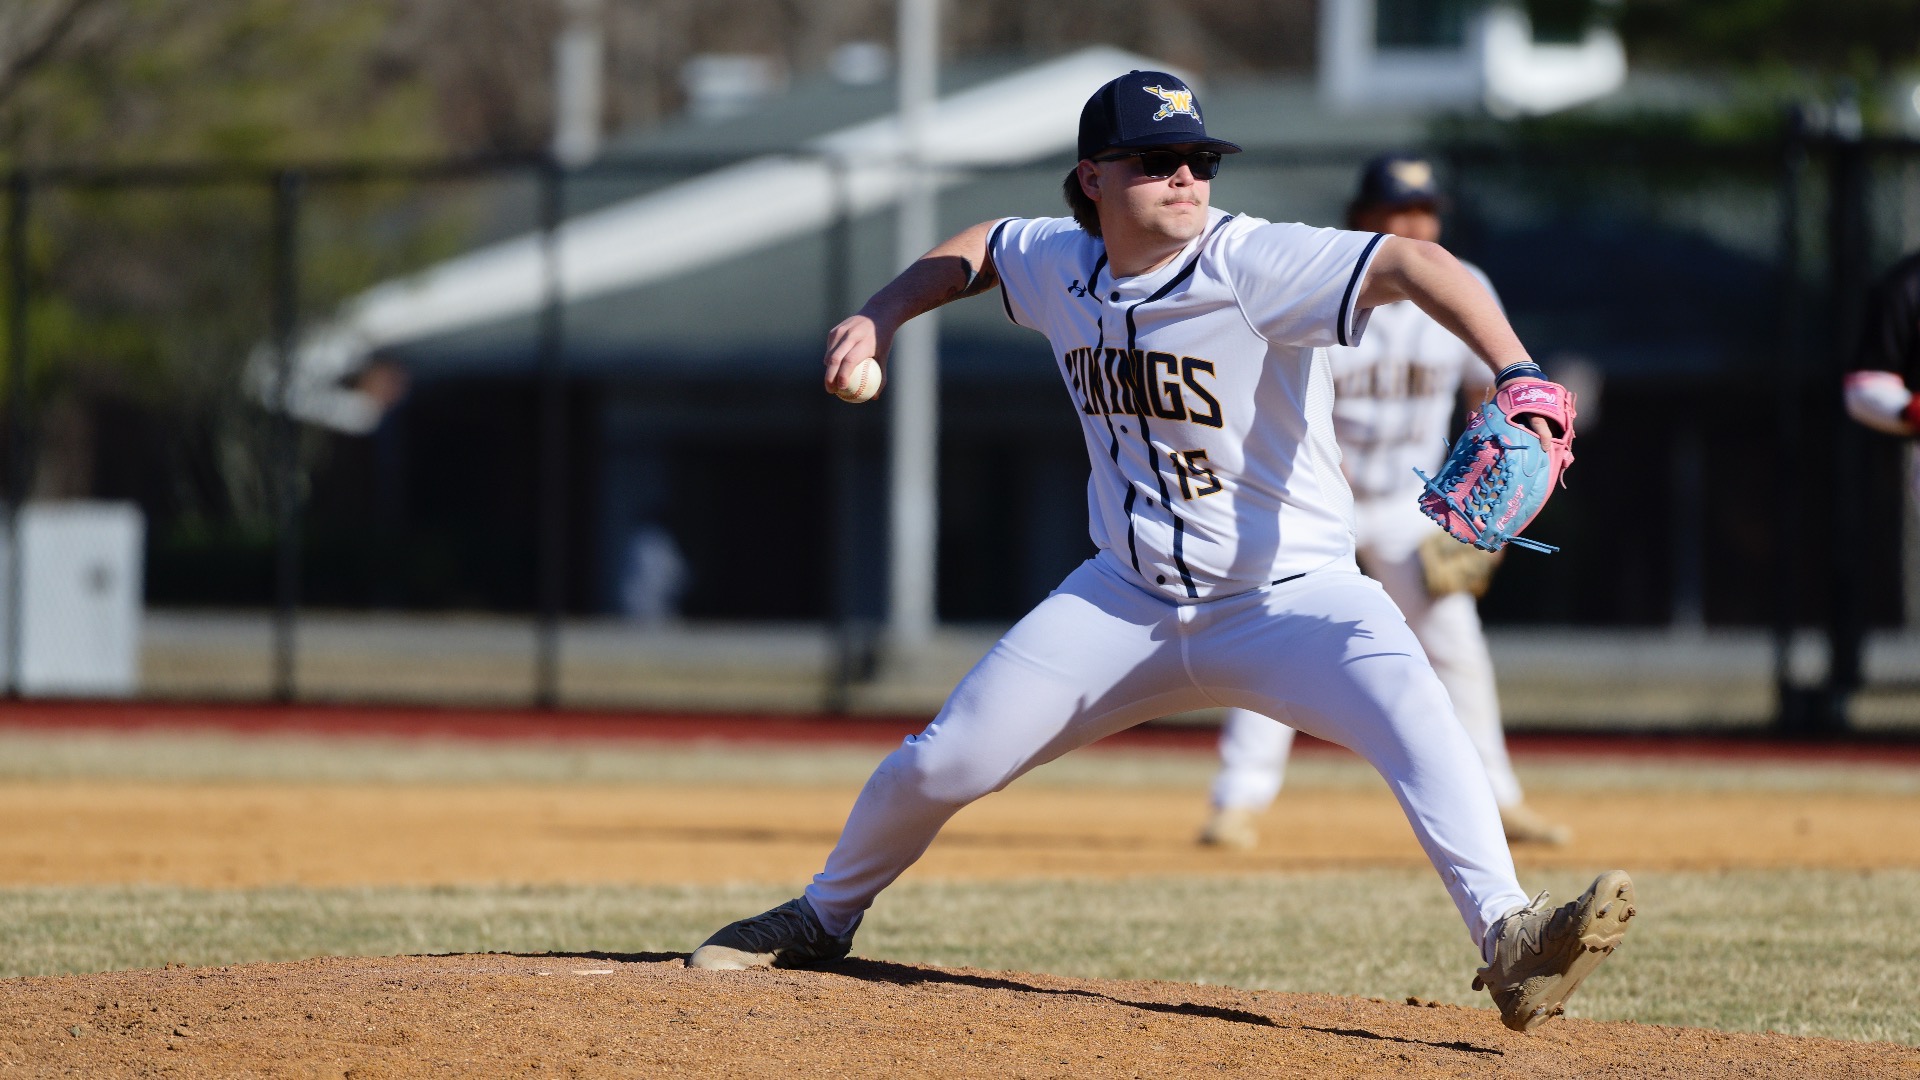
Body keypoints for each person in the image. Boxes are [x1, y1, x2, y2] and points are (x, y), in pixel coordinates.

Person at [686, 70, 1634, 1033]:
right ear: (1093, 179)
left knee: (1420, 716)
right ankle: (821, 916)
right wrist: (879, 312)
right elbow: (980, 250)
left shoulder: (1252, 261)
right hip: (1122, 602)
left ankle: (1511, 940)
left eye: (1199, 160)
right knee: (941, 764)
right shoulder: (1061, 259)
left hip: (1291, 599)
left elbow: (1414, 265)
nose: (1186, 177)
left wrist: (1516, 370)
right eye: (1157, 161)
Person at [1198, 154, 1571, 853]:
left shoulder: (1460, 285)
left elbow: (1480, 387)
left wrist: (1482, 481)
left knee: (1455, 645)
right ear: (1361, 221)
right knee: (1276, 640)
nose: (1412, 224)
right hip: (1311, 498)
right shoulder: (1322, 286)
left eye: (1423, 211)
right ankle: (1237, 802)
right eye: (1396, 213)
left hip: (1412, 505)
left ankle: (1500, 799)